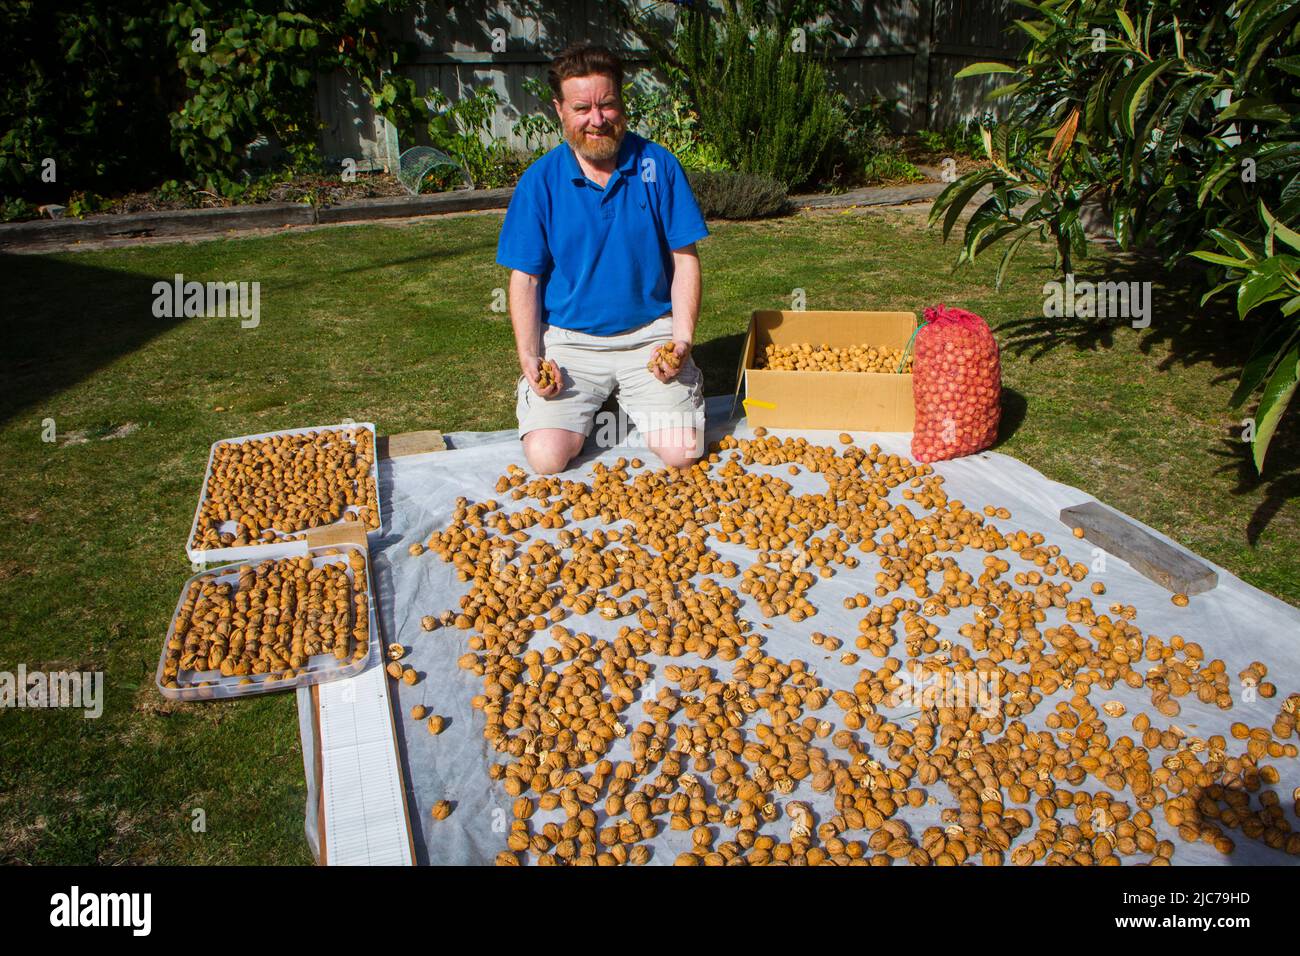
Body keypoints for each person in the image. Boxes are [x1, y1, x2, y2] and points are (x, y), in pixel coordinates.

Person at [495, 41, 709, 474]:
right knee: (546, 460)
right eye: (582, 108)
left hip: (650, 337)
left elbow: (685, 260)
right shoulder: (540, 181)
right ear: (559, 110)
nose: (597, 119)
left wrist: (681, 342)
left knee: (683, 454)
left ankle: (639, 397)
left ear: (621, 103)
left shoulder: (658, 166)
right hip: (572, 343)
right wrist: (530, 356)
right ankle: (597, 405)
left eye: (607, 104)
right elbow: (527, 280)